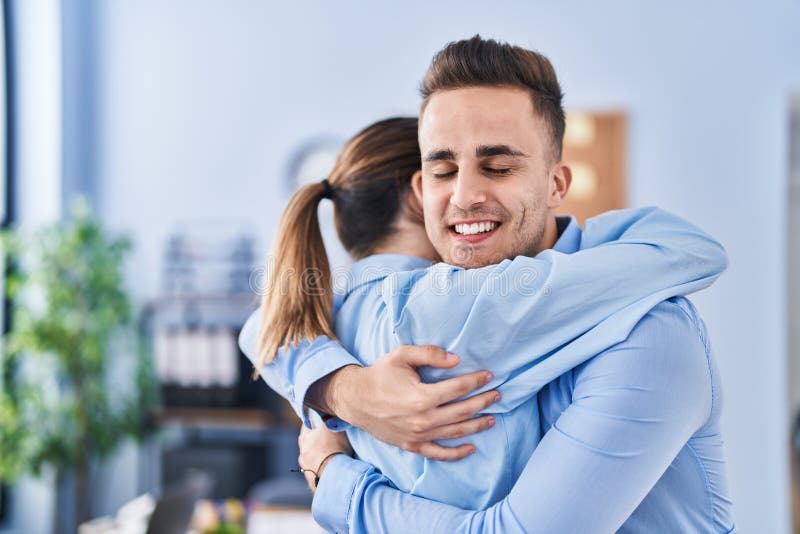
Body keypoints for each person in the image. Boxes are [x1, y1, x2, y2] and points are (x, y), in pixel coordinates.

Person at [240, 37, 733, 531]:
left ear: (557, 184)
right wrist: (344, 389)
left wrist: (333, 475)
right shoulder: (421, 310)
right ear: (420, 191)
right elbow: (269, 325)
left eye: (498, 167)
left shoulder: (652, 335)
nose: (466, 195)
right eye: (443, 170)